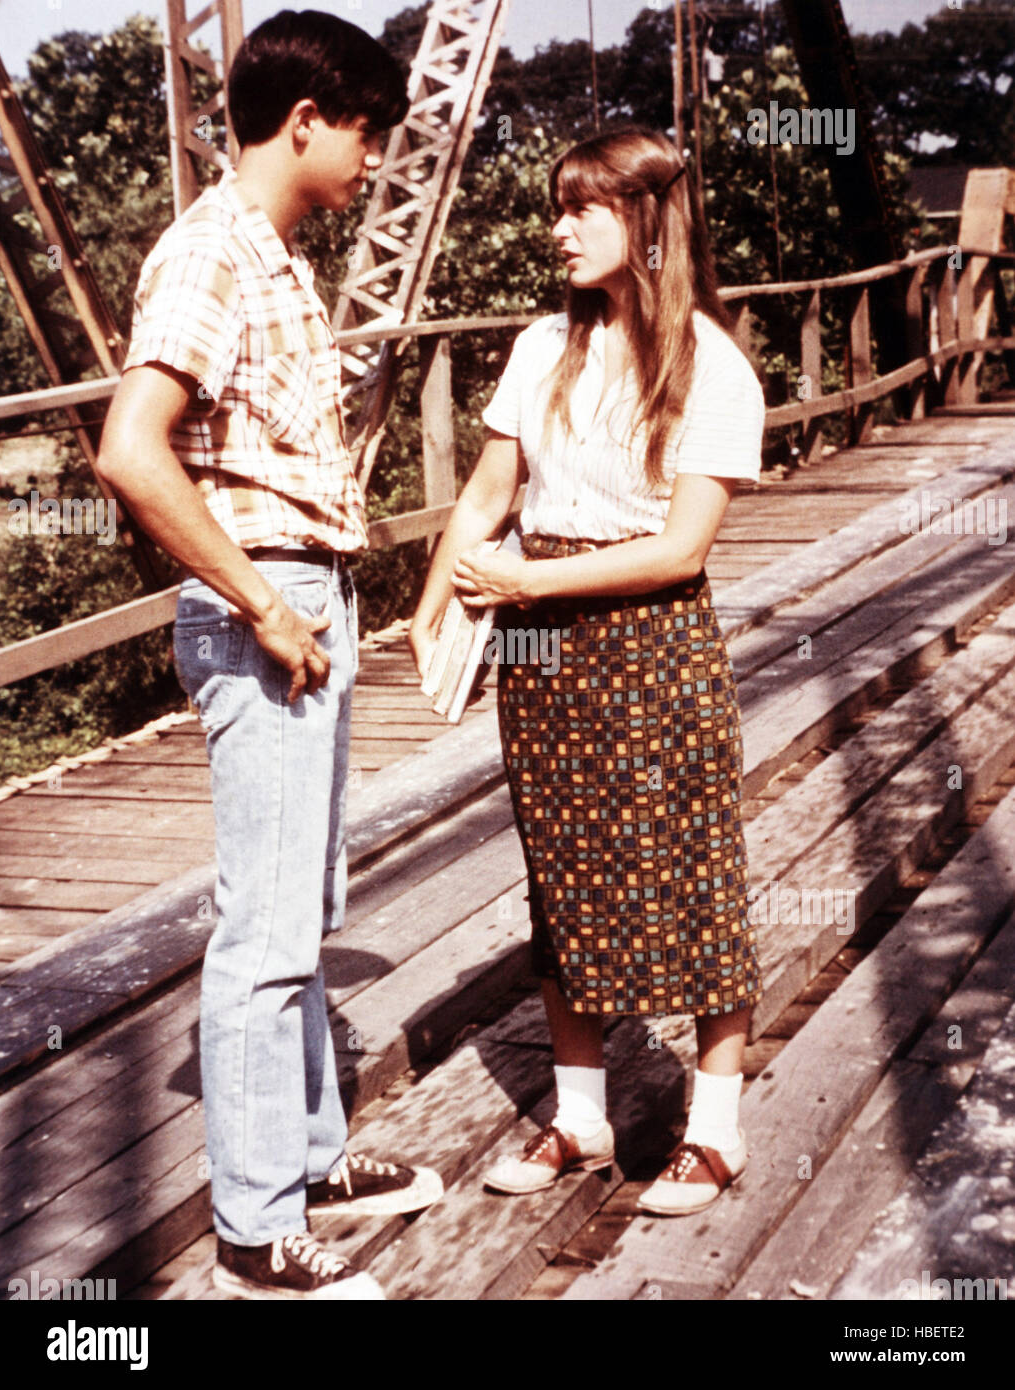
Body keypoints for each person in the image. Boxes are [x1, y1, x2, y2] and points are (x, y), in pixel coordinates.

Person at [96, 11, 442, 1300]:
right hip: (269, 609)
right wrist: (263, 605)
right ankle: (254, 1225)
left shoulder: (275, 253)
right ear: (307, 121)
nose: (370, 160)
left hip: (305, 596)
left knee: (306, 904)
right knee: (264, 926)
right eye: (363, 133)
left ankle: (304, 1156)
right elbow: (130, 455)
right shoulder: (210, 257)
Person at [410, 128, 766, 1217]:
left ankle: (714, 1130)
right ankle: (580, 1115)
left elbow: (680, 550)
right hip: (540, 651)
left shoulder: (712, 365)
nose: (557, 229)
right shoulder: (538, 349)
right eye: (557, 207)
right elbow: (483, 497)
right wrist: (431, 607)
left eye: (583, 208)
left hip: (648, 640)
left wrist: (524, 590)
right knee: (562, 880)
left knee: (688, 873)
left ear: (647, 222)